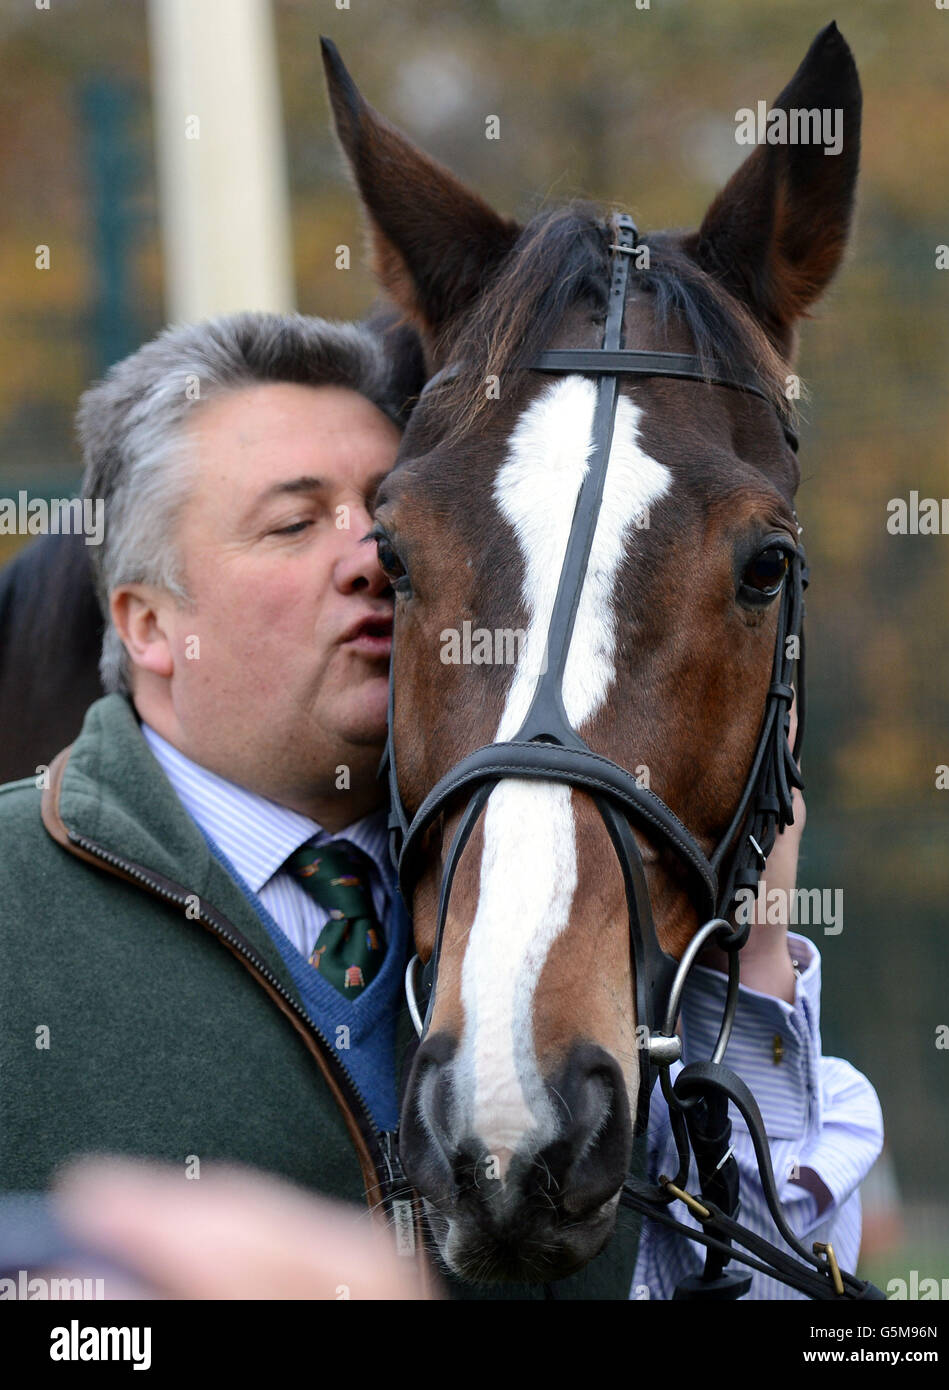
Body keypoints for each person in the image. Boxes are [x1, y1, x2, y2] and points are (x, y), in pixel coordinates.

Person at [0, 310, 881, 1300]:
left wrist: (752, 958)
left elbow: (757, 1289)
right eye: (295, 522)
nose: (369, 557)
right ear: (151, 624)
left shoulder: (560, 883)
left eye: (393, 527)